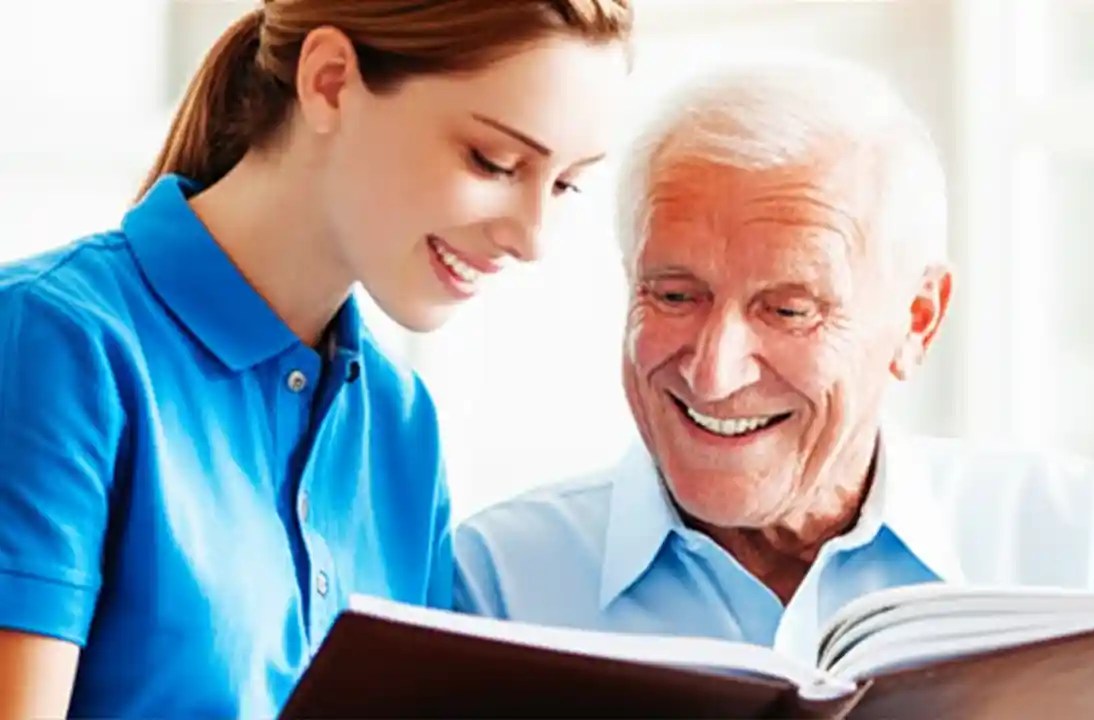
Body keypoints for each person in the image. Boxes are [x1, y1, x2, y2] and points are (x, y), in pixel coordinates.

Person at [0, 1, 630, 716]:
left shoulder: (401, 424)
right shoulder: (48, 340)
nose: (532, 237)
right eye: (494, 162)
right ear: (330, 81)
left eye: (565, 183)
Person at [453, 57, 1094, 656]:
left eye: (789, 311)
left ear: (917, 321)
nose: (714, 371)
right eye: (675, 296)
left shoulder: (1080, 554)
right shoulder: (494, 587)